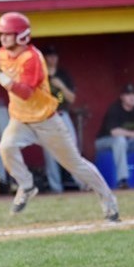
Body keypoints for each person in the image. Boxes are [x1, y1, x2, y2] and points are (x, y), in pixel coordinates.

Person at [0, 11, 118, 220]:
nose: (2, 37)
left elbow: (25, 92)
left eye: (7, 33)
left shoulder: (32, 57)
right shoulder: (1, 54)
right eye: (2, 33)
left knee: (75, 165)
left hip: (46, 120)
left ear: (21, 36)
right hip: (20, 119)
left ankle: (109, 201)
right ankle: (26, 185)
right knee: (6, 146)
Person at [42, 45, 82, 193]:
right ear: (44, 58)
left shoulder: (63, 74)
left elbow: (71, 98)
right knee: (50, 152)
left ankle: (79, 182)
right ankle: (55, 187)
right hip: (46, 117)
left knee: (73, 148)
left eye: (54, 56)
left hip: (62, 115)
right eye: (49, 56)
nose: (52, 59)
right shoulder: (39, 74)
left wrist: (61, 86)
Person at [94, 83, 134, 189]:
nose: (132, 97)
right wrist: (132, 134)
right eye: (128, 94)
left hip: (128, 142)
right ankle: (123, 180)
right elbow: (114, 132)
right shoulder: (115, 108)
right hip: (104, 141)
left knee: (122, 141)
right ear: (122, 97)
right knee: (120, 140)